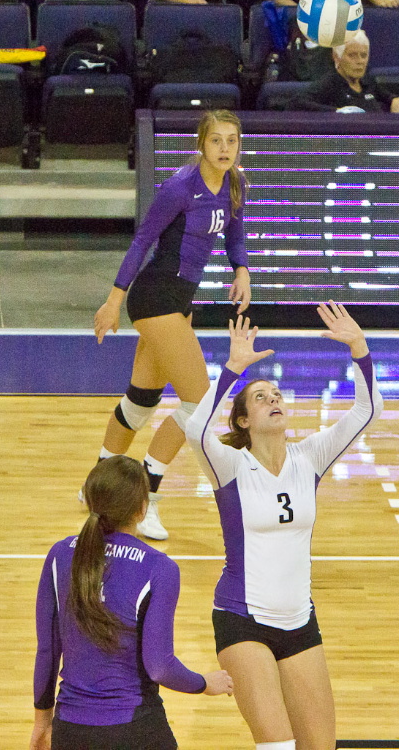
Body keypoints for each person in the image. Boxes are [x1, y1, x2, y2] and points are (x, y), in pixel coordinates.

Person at [185, 306, 383, 749]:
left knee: (319, 746)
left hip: (300, 622)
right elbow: (196, 430)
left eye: (276, 394)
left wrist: (359, 348)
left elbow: (367, 412)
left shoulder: (309, 456)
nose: (274, 399)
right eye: (260, 398)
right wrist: (235, 368)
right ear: (242, 421)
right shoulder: (231, 465)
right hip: (242, 620)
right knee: (277, 744)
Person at [93, 110, 250, 541]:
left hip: (180, 301)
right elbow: (142, 240)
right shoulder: (180, 187)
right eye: (216, 141)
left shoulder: (235, 183)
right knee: (199, 404)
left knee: (141, 401)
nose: (224, 149)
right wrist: (112, 303)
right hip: (155, 296)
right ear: (201, 144)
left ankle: (98, 485)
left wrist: (242, 270)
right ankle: (145, 501)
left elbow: (236, 234)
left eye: (231, 141)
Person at [31, 456, 233, 750]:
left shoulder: (59, 555)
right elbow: (160, 667)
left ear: (90, 500)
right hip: (136, 728)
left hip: (70, 729)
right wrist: (204, 683)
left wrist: (41, 721)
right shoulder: (158, 568)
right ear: (141, 509)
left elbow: (47, 650)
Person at [286, 29, 399, 111]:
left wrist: (396, 100)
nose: (360, 61)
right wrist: (338, 112)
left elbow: (388, 96)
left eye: (363, 55)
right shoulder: (331, 82)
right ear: (336, 57)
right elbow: (296, 103)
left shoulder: (367, 81)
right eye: (352, 55)